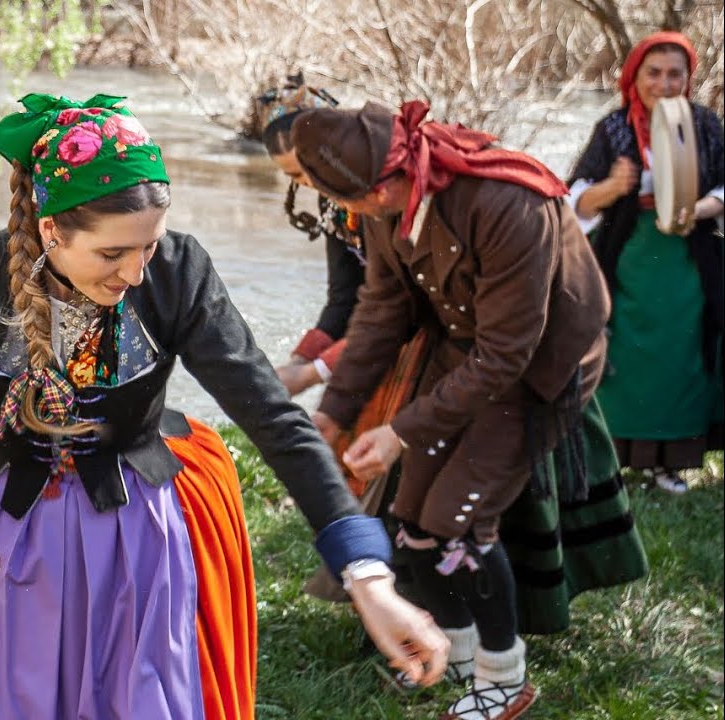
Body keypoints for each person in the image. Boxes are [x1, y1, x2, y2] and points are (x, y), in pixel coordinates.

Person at [0, 93, 448, 720]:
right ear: (51, 230)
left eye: (148, 246)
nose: (136, 274)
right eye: (111, 254)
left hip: (141, 534)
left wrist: (366, 572)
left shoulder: (178, 270)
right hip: (9, 536)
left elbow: (275, 420)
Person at [294, 101, 648, 719]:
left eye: (355, 201)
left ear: (382, 182)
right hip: (462, 351)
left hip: (541, 366)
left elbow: (509, 354)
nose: (357, 213)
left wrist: (400, 431)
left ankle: (505, 678)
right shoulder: (383, 206)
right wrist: (335, 411)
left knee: (458, 522)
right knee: (413, 518)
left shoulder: (510, 203)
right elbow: (381, 310)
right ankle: (452, 652)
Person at [261, 93, 432, 604]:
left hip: (425, 341)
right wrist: (297, 362)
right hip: (377, 336)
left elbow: (405, 308)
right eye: (295, 178)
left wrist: (315, 370)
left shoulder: (384, 193)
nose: (309, 184)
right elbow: (344, 300)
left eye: (307, 170)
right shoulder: (336, 206)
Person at [567, 30, 724, 494]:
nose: (664, 83)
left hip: (688, 262)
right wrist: (612, 188)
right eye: (653, 73)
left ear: (688, 78)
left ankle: (668, 462)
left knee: (682, 355)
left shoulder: (704, 125)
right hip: (626, 259)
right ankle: (612, 460)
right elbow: (575, 201)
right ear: (634, 77)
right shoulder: (614, 130)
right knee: (622, 355)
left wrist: (700, 209)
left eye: (675, 74)